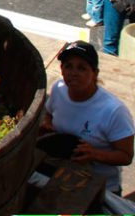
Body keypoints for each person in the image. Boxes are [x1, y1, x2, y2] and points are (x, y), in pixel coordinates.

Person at [42, 41, 134, 194]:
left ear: (95, 73)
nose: (73, 73)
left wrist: (95, 154)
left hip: (100, 187)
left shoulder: (114, 111)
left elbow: (126, 156)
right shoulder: (58, 90)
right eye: (68, 66)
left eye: (82, 68)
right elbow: (49, 112)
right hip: (61, 176)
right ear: (61, 70)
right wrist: (47, 124)